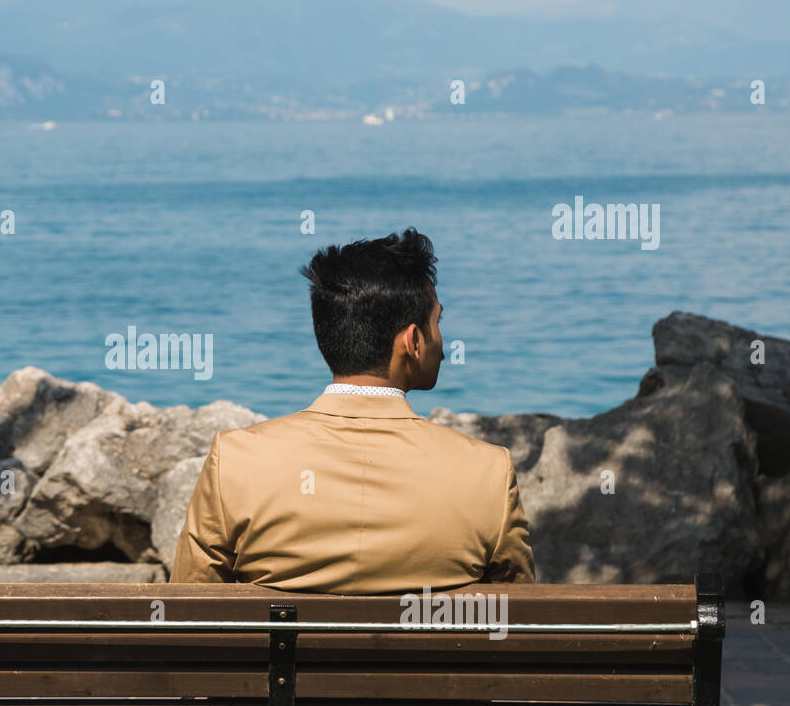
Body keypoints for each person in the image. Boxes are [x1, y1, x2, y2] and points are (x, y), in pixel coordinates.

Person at [172, 228, 535, 592]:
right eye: (437, 323)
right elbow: (518, 618)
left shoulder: (236, 461)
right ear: (412, 342)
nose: (442, 344)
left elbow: (188, 614)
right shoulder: (487, 473)